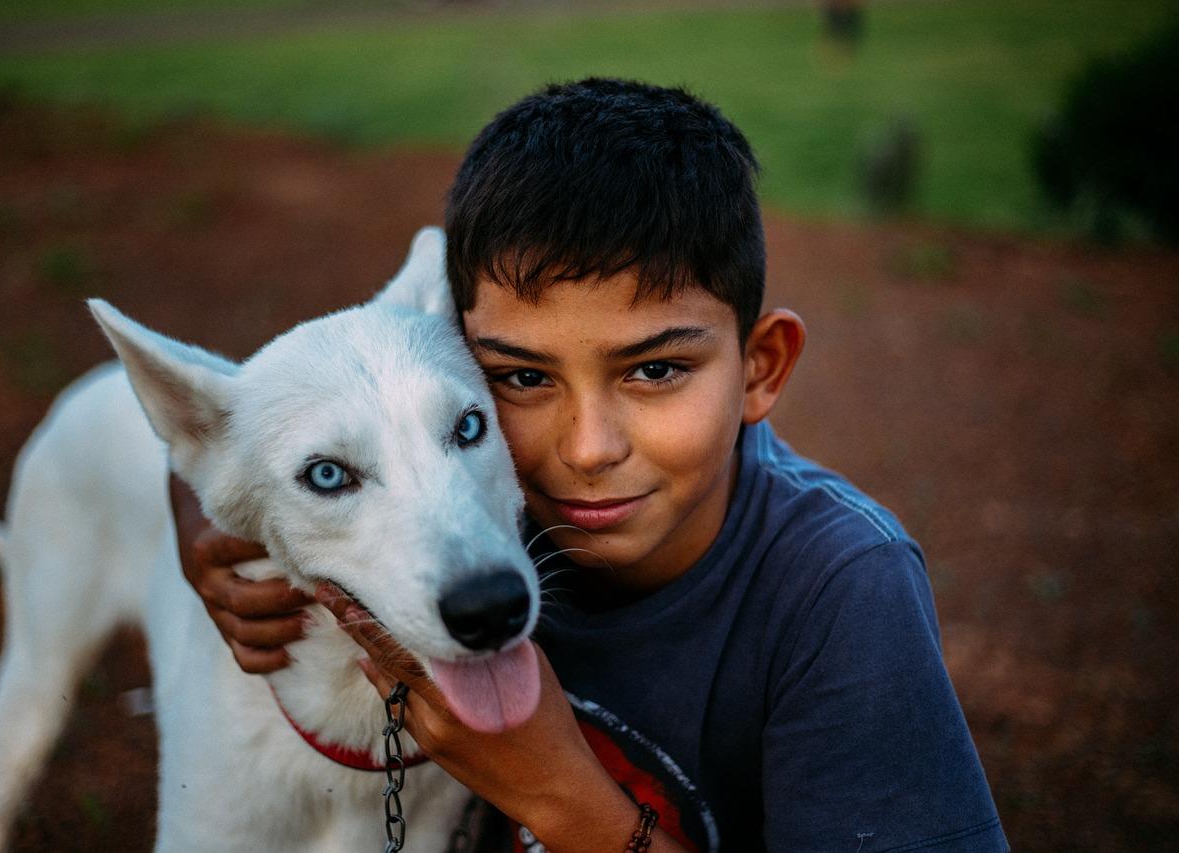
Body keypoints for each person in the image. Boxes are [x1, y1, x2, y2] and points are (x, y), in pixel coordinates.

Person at [169, 78, 1007, 852]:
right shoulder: (476, 506)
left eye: (655, 369)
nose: (588, 448)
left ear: (760, 367)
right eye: (524, 379)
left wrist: (560, 795)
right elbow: (320, 411)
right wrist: (208, 528)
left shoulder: (839, 587)